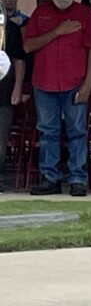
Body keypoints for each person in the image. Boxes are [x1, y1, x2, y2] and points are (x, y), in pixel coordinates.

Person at [24, 0, 91, 197]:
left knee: (77, 131)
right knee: (48, 132)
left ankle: (78, 178)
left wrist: (88, 84)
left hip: (74, 83)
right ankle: (50, 178)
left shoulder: (84, 14)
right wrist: (57, 32)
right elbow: (28, 46)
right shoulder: (41, 12)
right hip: (44, 83)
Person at [0, 13, 24, 193]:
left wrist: (17, 87)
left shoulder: (11, 28)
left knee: (1, 138)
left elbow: (18, 60)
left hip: (4, 92)